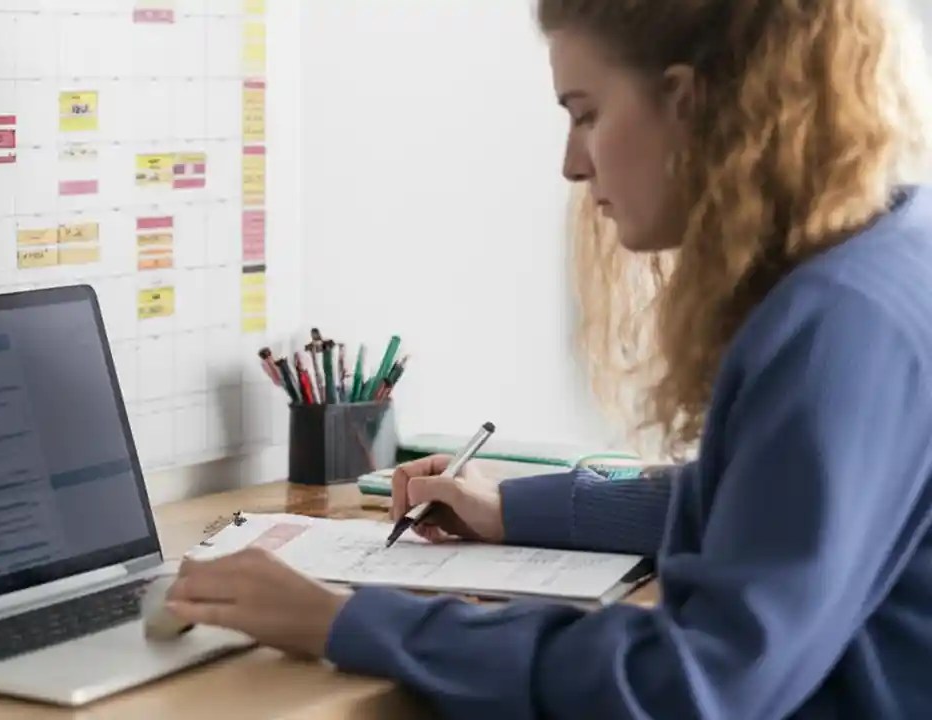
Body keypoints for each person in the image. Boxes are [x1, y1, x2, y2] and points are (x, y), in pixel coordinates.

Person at [164, 0, 932, 716]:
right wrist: (518, 507)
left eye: (585, 114)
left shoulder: (835, 328)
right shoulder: (886, 250)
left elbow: (693, 684)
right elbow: (765, 502)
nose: (572, 163)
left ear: (691, 106)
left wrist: (347, 618)